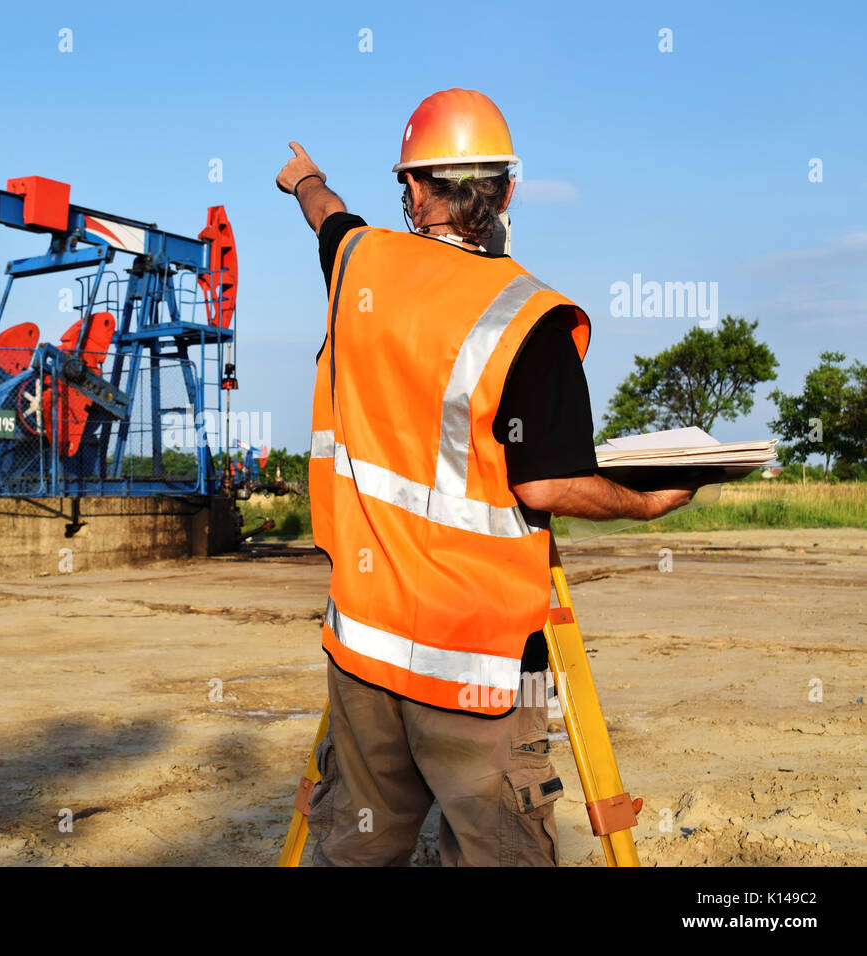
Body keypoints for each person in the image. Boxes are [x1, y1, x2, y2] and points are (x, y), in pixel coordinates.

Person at [276, 88, 699, 866]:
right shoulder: (529, 317)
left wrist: (303, 175)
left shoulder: (359, 262)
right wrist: (646, 503)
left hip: (363, 649)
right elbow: (545, 487)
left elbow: (325, 213)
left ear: (413, 192)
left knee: (357, 848)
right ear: (506, 190)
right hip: (486, 666)